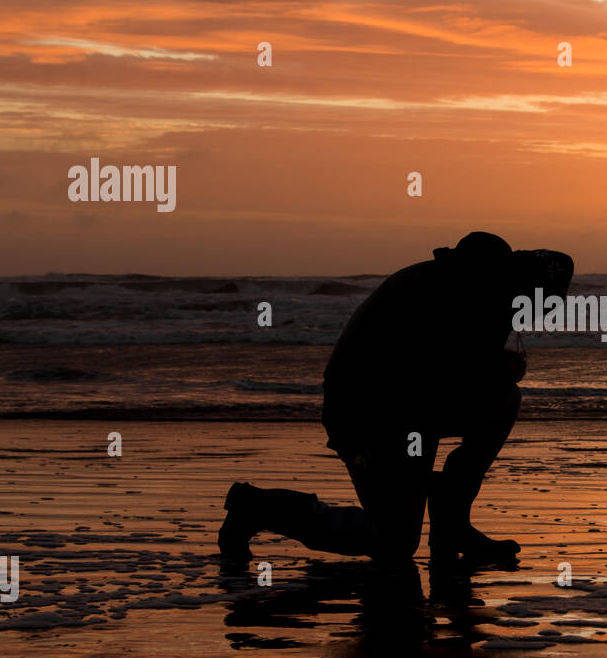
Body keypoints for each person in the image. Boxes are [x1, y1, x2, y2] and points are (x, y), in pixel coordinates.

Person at [219, 232, 573, 565]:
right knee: (393, 541)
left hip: (412, 409)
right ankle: (257, 507)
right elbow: (426, 372)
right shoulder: (437, 296)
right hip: (364, 416)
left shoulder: (474, 290)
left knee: (503, 398)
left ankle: (452, 526)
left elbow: (446, 374)